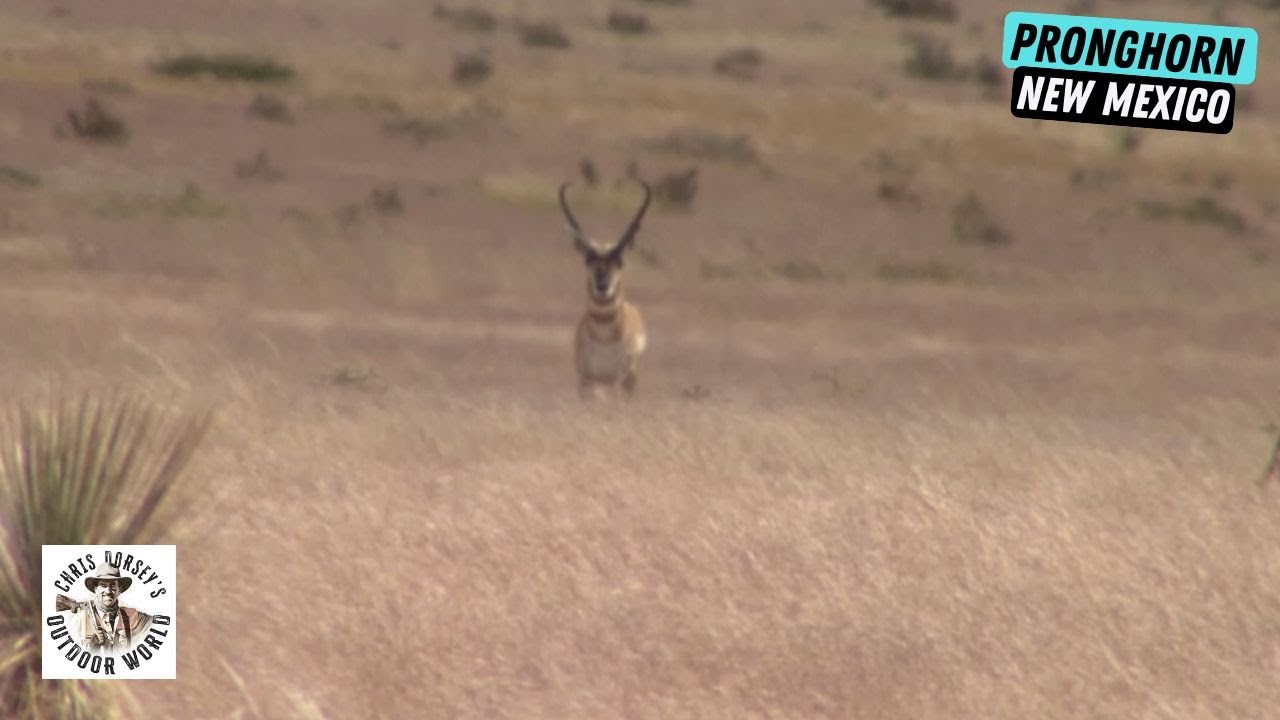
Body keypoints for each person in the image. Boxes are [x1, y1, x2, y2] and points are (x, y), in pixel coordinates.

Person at [71, 564, 153, 655]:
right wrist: (91, 645)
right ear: (95, 589)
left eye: (113, 586)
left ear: (119, 590)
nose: (108, 591)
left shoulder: (131, 616)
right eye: (103, 585)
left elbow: (157, 623)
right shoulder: (79, 619)